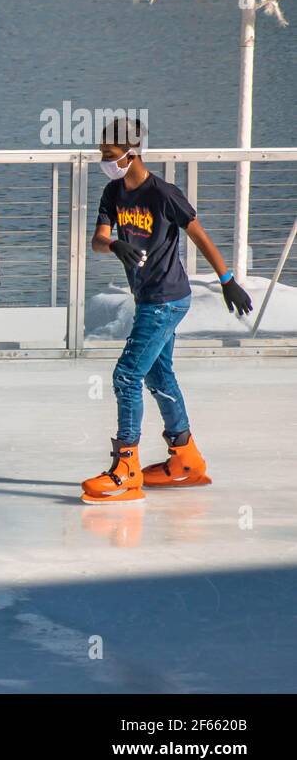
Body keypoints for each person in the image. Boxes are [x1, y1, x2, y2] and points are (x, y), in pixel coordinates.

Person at [79, 118, 252, 504]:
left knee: (126, 375)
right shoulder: (113, 192)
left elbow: (199, 233)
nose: (105, 161)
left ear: (131, 152)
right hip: (147, 298)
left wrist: (227, 280)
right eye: (102, 155)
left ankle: (126, 468)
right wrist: (114, 247)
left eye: (109, 155)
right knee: (159, 376)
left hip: (167, 299)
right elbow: (98, 240)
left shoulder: (163, 193)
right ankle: (186, 459)